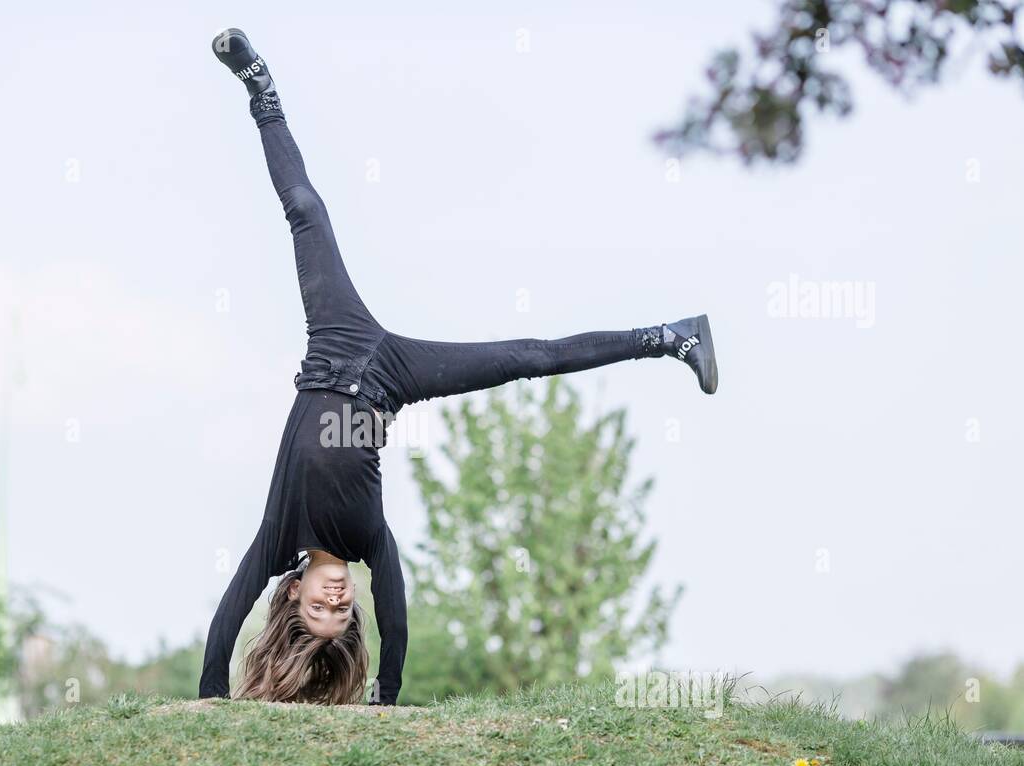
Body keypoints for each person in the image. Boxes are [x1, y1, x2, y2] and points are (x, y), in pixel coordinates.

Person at [199, 28, 718, 706]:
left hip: (333, 345)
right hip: (390, 377)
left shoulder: (275, 540)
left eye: (317, 611)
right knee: (529, 358)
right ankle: (670, 338)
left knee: (305, 211)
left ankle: (260, 90)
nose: (334, 603)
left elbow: (226, 619)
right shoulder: (369, 542)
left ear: (291, 593)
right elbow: (400, 618)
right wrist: (386, 695)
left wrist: (210, 700)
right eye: (341, 615)